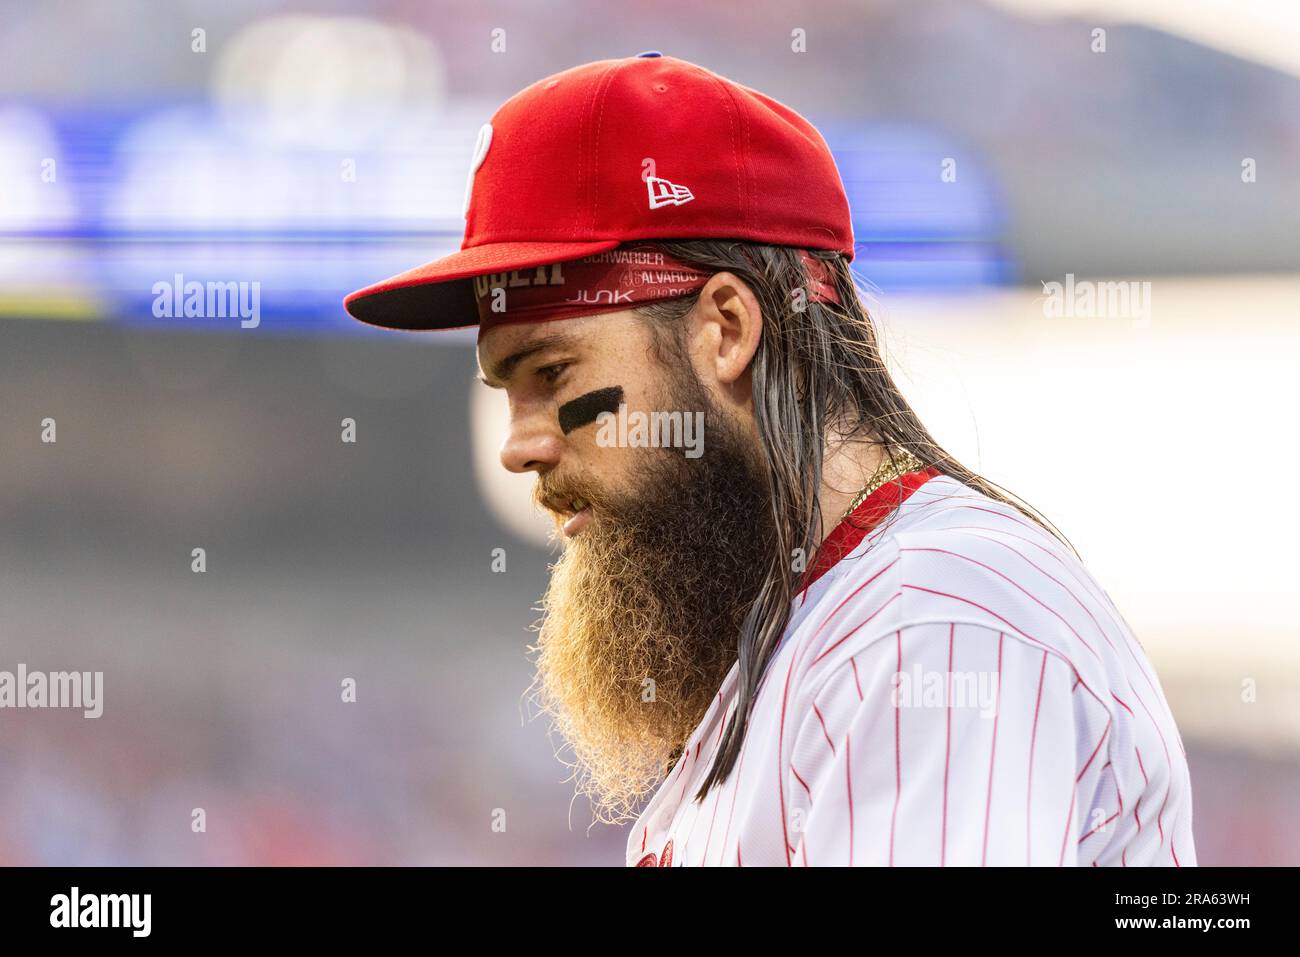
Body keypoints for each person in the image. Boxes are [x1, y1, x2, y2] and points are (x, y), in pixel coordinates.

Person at [345, 53, 1195, 867]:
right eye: (504, 387)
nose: (517, 444)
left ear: (725, 328)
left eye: (552, 372)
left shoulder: (930, 625)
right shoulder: (819, 627)